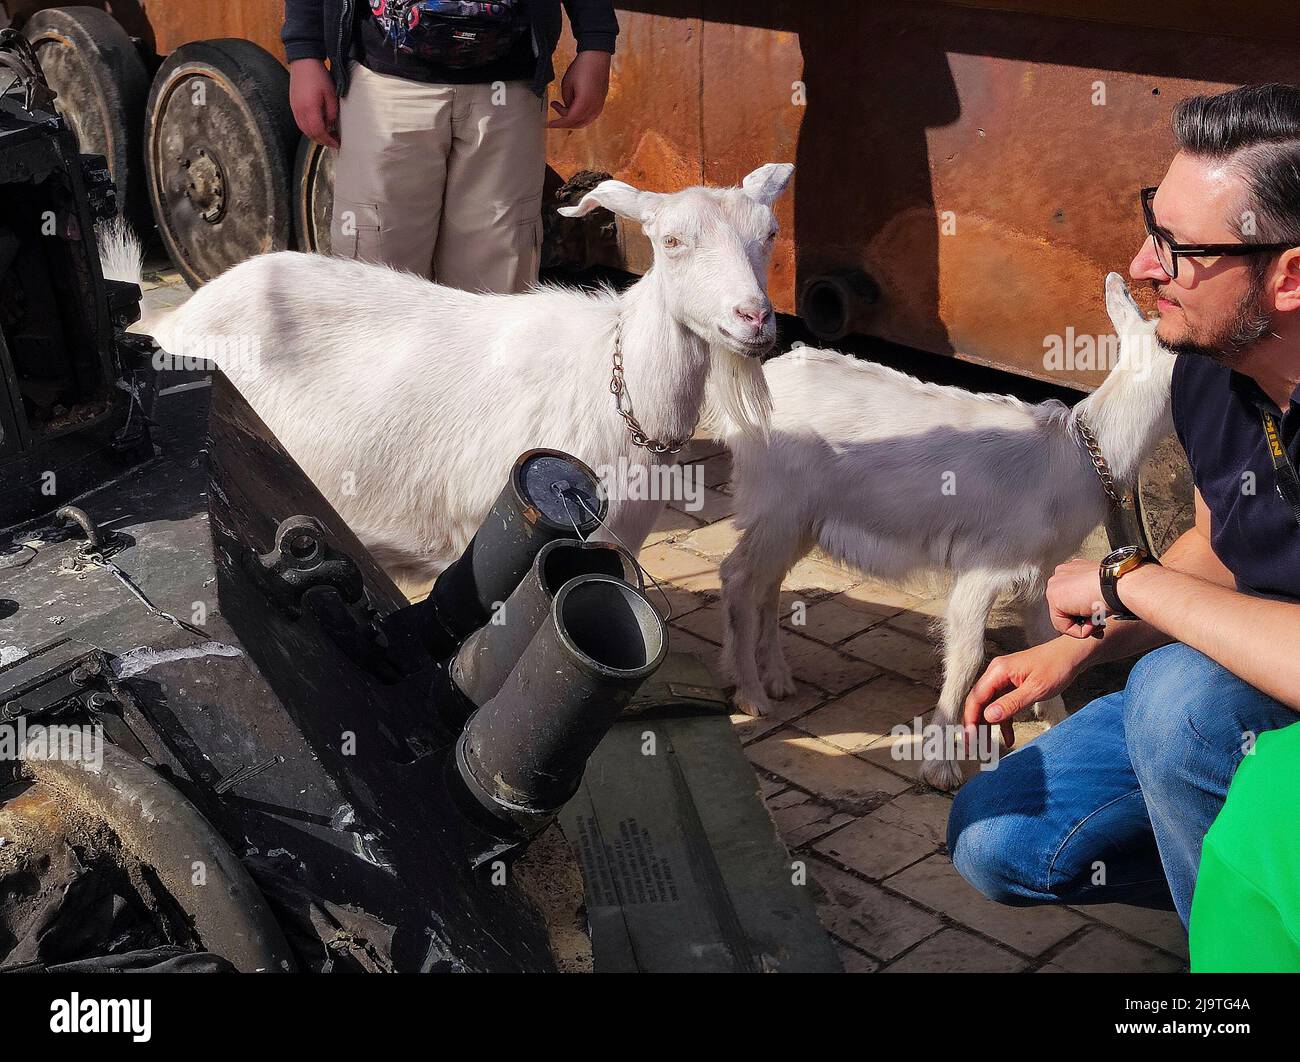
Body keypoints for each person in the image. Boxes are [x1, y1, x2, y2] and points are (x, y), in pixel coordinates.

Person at [947, 83, 1300, 929]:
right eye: (1153, 226)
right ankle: (1238, 899)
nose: (1144, 266)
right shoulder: (1215, 368)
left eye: (1177, 249)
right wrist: (1083, 646)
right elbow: (1223, 546)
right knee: (996, 839)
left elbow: (1157, 588)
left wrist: (1123, 584)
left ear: (1289, 276)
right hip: (1257, 682)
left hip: (1244, 696)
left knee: (1180, 702)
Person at [282, 1, 618, 292]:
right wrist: (305, 53)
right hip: (384, 84)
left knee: (494, 293)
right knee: (376, 283)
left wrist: (595, 41)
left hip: (508, 86)